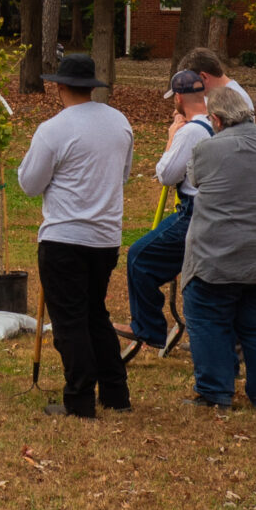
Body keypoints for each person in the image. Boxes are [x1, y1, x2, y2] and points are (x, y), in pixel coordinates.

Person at [18, 52, 135, 419]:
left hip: (64, 237)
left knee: (70, 322)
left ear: (59, 86)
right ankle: (115, 393)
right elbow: (124, 175)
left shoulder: (54, 129)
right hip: (105, 237)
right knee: (94, 315)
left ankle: (80, 399)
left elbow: (29, 183)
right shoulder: (119, 123)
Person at [183, 87, 256, 412]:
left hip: (220, 256)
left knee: (207, 317)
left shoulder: (206, 149)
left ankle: (214, 393)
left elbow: (193, 180)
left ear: (216, 120)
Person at [116, 68, 210, 350]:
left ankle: (148, 328)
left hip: (194, 213)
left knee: (139, 258)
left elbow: (166, 175)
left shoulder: (190, 131)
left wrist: (172, 136)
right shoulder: (216, 122)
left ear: (179, 97)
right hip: (213, 209)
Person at [178, 48, 252, 115]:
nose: (192, 90)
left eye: (191, 83)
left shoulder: (234, 100)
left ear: (203, 77)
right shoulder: (214, 95)